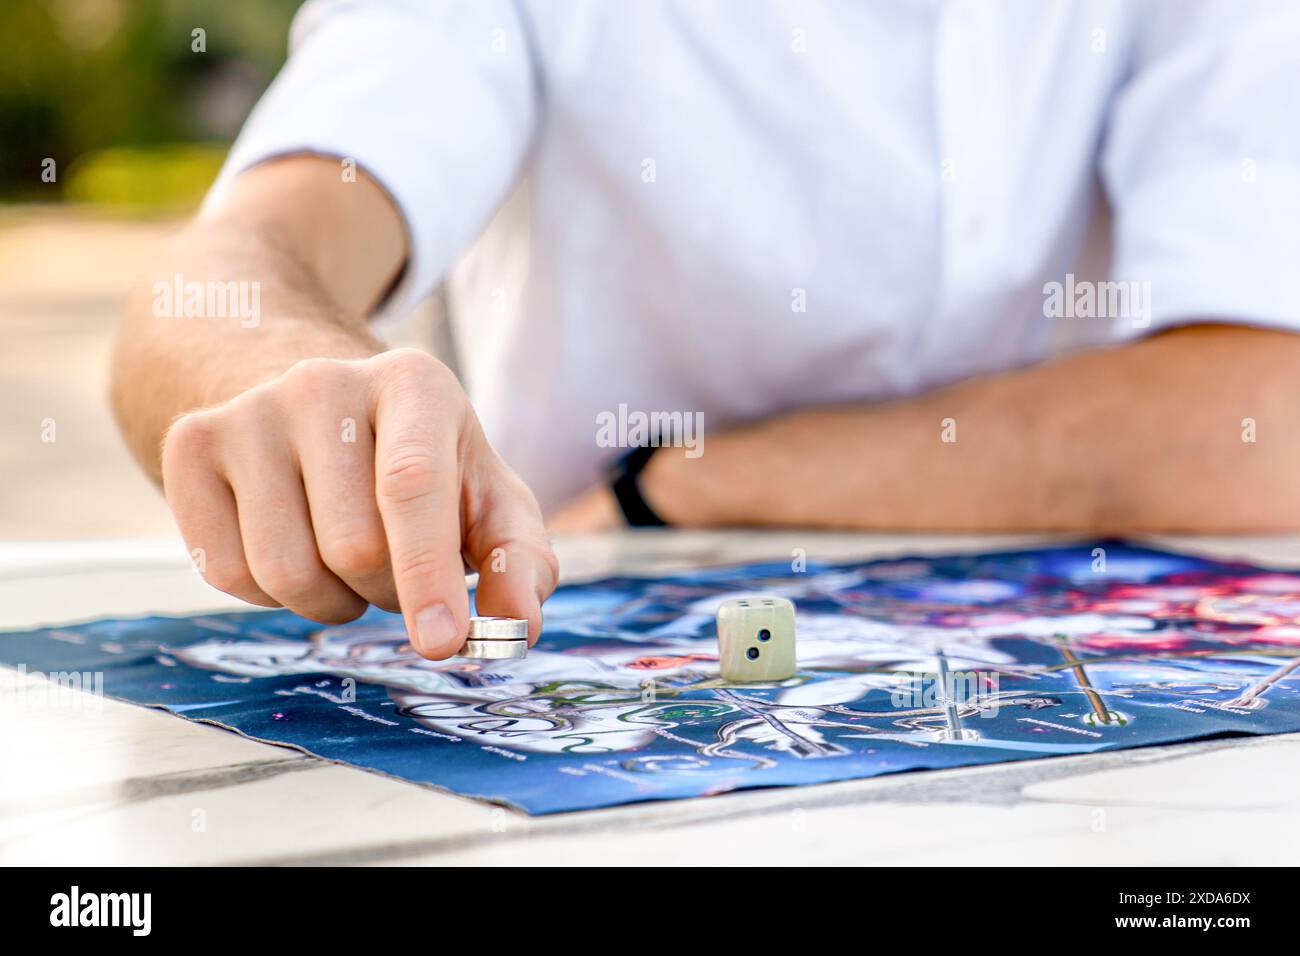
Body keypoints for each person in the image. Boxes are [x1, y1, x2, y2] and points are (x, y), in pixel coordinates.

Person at [111, 1, 1300, 660]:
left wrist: (677, 483)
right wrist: (287, 370)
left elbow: (1260, 420)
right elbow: (222, 274)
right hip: (603, 699)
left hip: (1090, 725)